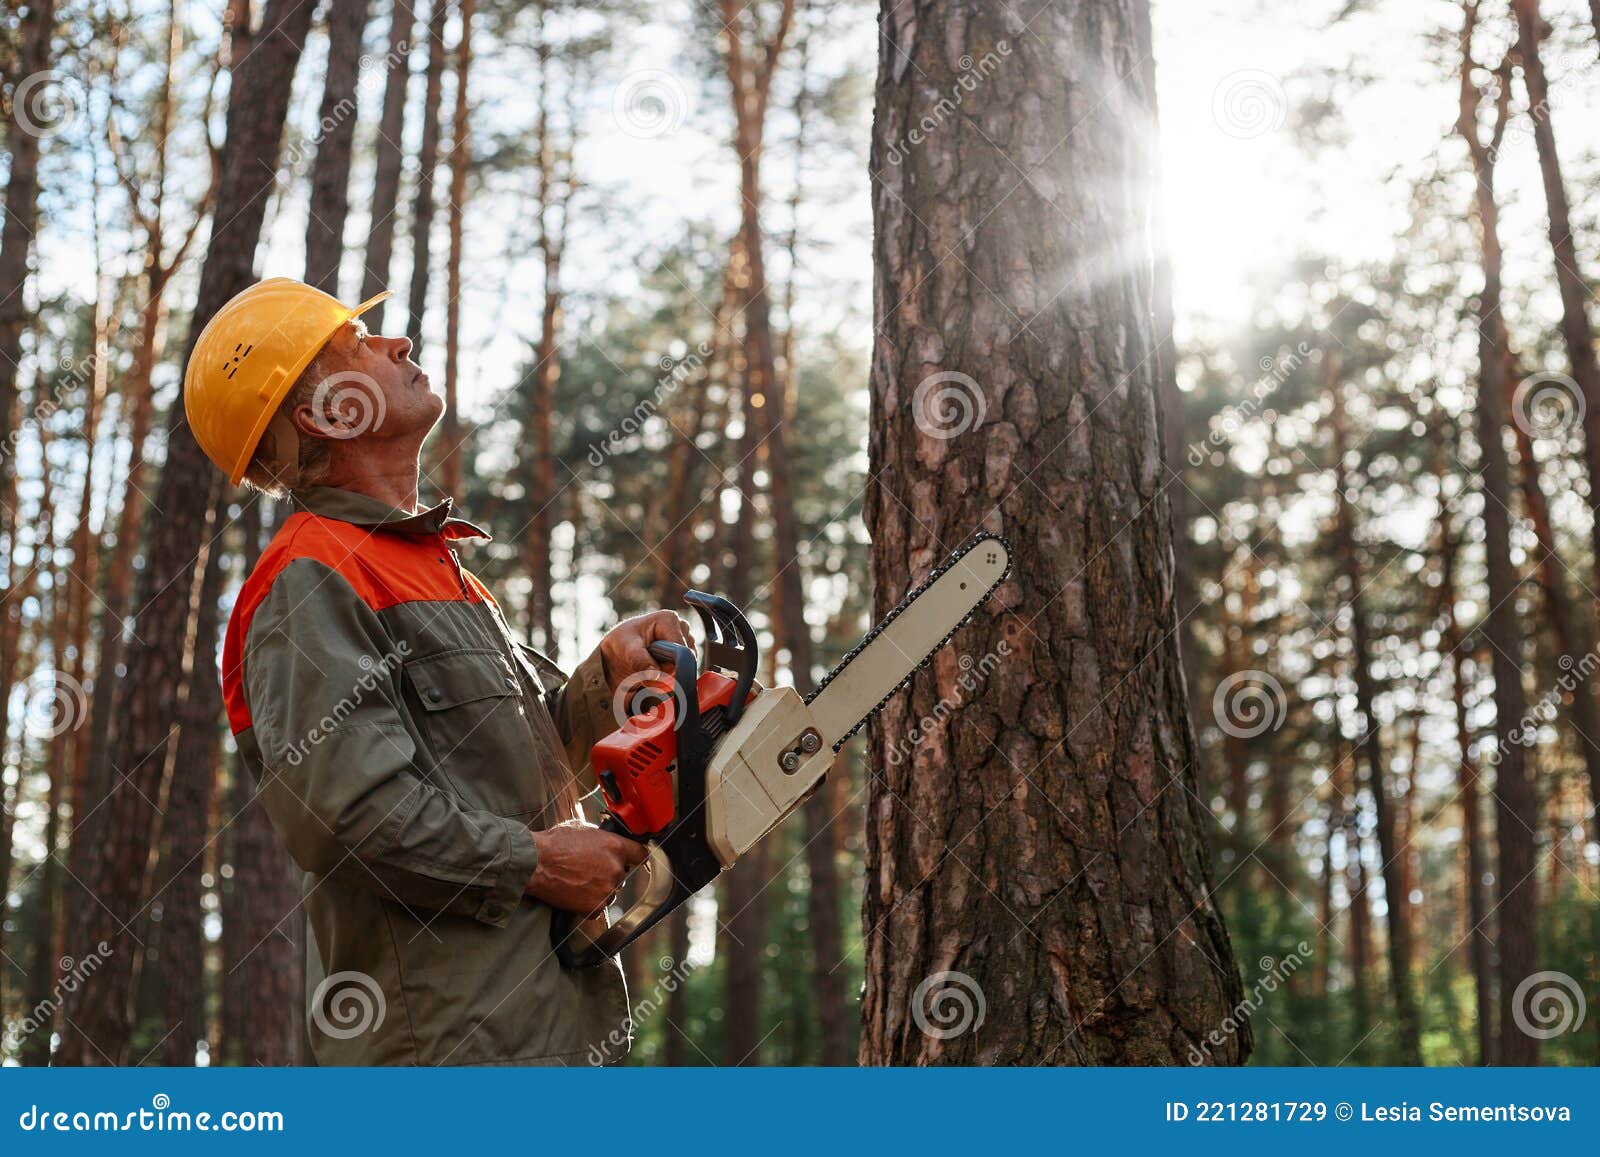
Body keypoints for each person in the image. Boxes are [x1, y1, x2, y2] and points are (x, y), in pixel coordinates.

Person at [186, 277, 687, 1064]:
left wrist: (606, 678)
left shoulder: (433, 565)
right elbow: (349, 820)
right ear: (328, 412)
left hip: (547, 1030)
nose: (398, 344)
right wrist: (540, 861)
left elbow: (504, 770)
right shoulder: (307, 578)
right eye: (358, 346)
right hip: (450, 1053)